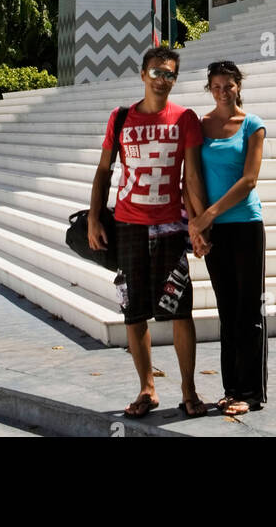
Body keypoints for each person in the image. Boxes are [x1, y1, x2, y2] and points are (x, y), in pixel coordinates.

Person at [87, 45, 210, 419]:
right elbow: (104, 171)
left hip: (171, 228)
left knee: (180, 310)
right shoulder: (121, 117)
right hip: (128, 226)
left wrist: (200, 223)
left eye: (170, 73)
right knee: (133, 312)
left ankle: (189, 389)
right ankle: (147, 388)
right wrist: (94, 217)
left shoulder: (185, 118)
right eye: (156, 72)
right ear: (143, 75)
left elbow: (191, 176)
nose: (162, 79)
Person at [187, 62, 267, 415]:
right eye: (215, 86)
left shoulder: (252, 125)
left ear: (238, 86)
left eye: (228, 85)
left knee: (248, 309)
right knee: (226, 310)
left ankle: (251, 393)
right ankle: (231, 387)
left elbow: (249, 180)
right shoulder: (201, 126)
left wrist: (209, 215)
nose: (222, 91)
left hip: (245, 225)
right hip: (213, 228)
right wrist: (199, 224)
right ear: (209, 88)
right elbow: (193, 176)